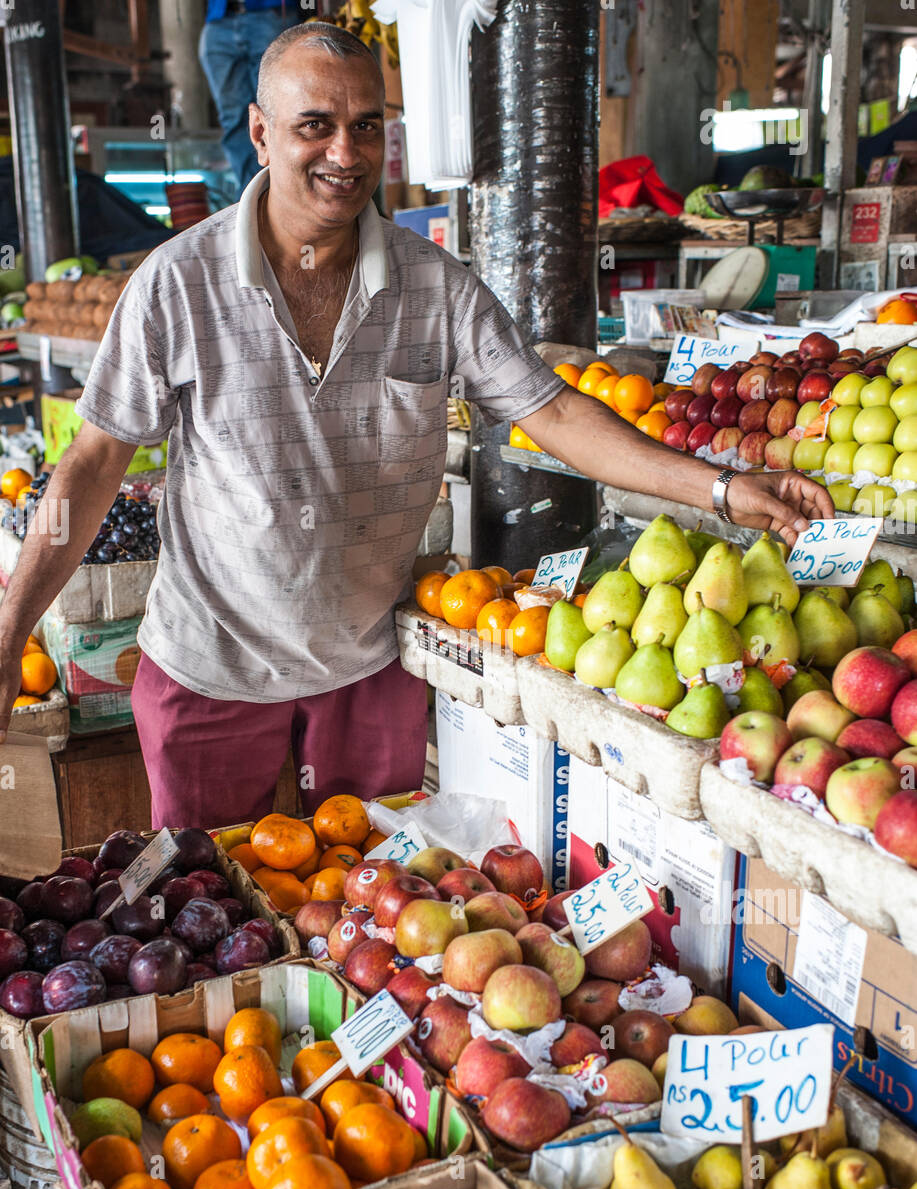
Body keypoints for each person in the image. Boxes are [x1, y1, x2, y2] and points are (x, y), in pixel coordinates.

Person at [0, 23, 832, 830]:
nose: (345, 153)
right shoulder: (177, 284)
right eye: (314, 127)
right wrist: (10, 636)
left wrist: (720, 487)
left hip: (369, 666)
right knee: (215, 911)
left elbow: (558, 412)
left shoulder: (434, 287)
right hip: (212, 670)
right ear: (259, 132)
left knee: (377, 910)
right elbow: (94, 462)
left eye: (367, 127)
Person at [199, 1, 300, 192]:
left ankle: (286, 194)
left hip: (270, 13)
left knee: (278, 112)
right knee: (233, 119)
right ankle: (250, 196)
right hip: (219, 18)